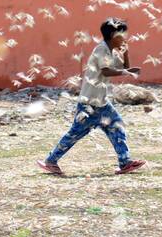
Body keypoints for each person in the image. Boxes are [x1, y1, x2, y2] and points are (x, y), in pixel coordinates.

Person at [38, 18, 147, 176]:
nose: (125, 38)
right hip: (89, 104)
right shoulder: (101, 50)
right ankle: (51, 161)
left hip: (102, 103)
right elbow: (106, 71)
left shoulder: (110, 52)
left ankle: (125, 162)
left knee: (117, 127)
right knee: (74, 134)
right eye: (122, 35)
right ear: (113, 35)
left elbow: (124, 67)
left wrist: (126, 53)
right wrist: (126, 72)